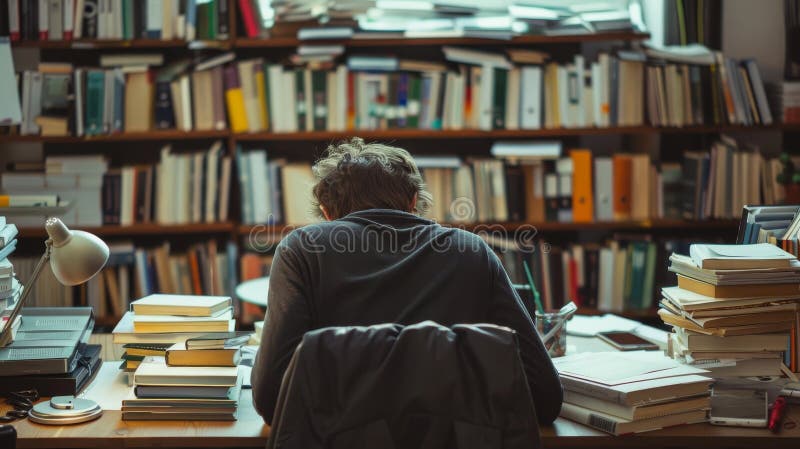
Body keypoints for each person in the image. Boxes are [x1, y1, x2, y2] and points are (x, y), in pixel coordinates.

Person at [251, 138, 562, 425]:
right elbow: (544, 396)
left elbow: (270, 398)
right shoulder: (471, 251)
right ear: (414, 200)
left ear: (327, 212)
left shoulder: (303, 250)